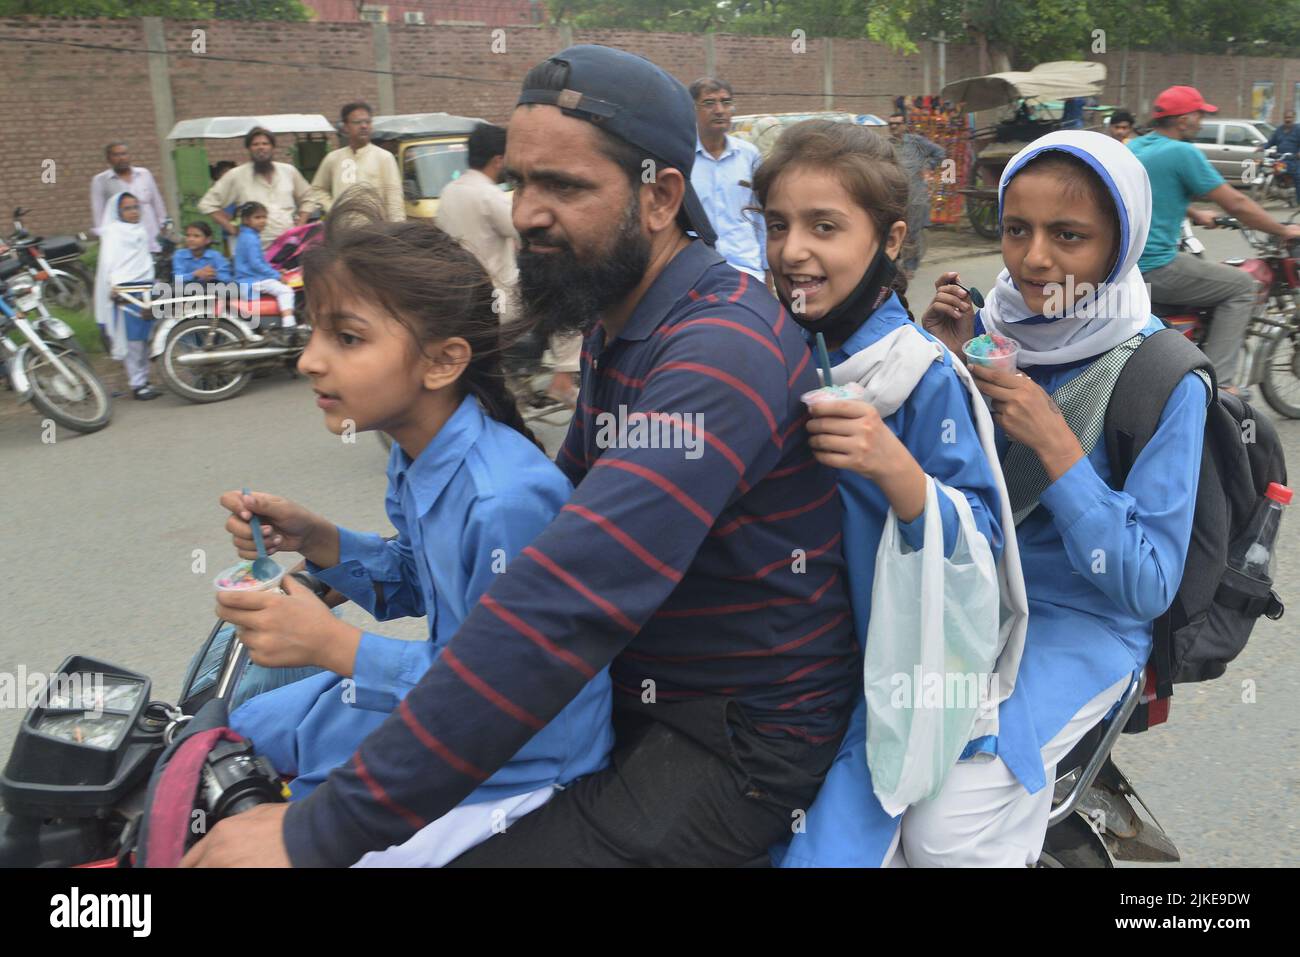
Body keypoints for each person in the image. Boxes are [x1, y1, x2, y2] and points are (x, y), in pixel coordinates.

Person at [184, 43, 858, 869]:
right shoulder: (624, 320)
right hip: (619, 689)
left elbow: (562, 598)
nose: (528, 213)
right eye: (520, 182)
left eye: (565, 187)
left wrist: (315, 833)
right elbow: (557, 533)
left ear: (660, 196)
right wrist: (335, 549)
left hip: (726, 741)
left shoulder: (716, 352)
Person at [216, 197, 613, 865]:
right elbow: (417, 577)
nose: (310, 361)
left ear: (441, 362)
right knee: (244, 732)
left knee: (278, 830)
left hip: (517, 764)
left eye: (346, 337)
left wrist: (331, 643)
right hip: (449, 709)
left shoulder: (504, 501)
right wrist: (319, 537)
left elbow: (493, 691)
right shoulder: (418, 447)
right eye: (313, 332)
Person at [915, 130, 1209, 866]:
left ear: (1122, 243)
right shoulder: (987, 330)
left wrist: (1060, 450)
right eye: (1018, 229)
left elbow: (1145, 582)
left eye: (1069, 236)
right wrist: (933, 374)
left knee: (942, 835)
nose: (1035, 259)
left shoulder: (1164, 376)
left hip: (1073, 625)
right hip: (953, 604)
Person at [748, 120, 1008, 868]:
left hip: (881, 685)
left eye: (824, 226)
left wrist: (898, 472)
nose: (793, 249)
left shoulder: (921, 376)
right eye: (778, 225)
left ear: (891, 240)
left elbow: (982, 547)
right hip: (773, 673)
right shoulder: (767, 351)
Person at [1129, 86, 1300, 396]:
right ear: (1183, 119)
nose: (1201, 121)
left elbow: (1149, 191)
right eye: (1199, 114)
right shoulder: (1182, 151)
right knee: (1241, 286)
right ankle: (1221, 384)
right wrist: (1282, 230)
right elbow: (1236, 203)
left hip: (1128, 263)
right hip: (1155, 264)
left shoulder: (1137, 146)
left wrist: (1193, 210)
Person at [436, 122, 580, 406]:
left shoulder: (449, 192)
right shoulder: (488, 195)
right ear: (498, 160)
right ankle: (563, 378)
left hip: (459, 300)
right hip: (499, 300)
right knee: (567, 301)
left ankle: (520, 376)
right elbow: (526, 232)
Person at [689, 77, 769, 285]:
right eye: (709, 103)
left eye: (726, 102)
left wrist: (767, 269)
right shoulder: (682, 157)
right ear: (692, 110)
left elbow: (760, 215)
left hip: (747, 269)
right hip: (698, 273)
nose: (719, 110)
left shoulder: (749, 155)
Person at [198, 127, 313, 249]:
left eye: (265, 143)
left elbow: (309, 197)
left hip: (288, 244)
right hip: (256, 248)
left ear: (272, 147)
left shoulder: (288, 171)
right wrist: (232, 228)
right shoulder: (237, 175)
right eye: (255, 144)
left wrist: (300, 226)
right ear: (249, 149)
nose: (261, 147)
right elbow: (207, 204)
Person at [93, 193, 160, 400]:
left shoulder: (139, 229)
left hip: (145, 284)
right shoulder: (113, 232)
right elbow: (108, 262)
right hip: (125, 287)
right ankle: (137, 383)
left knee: (147, 335)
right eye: (127, 208)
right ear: (118, 212)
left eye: (136, 207)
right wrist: (112, 285)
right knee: (132, 340)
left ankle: (145, 379)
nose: (133, 212)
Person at [306, 102, 405, 222]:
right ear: (346, 127)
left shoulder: (384, 157)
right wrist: (333, 208)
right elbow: (317, 189)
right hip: (342, 229)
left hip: (375, 229)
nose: (364, 126)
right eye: (357, 122)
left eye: (367, 122)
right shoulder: (333, 158)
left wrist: (396, 229)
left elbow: (394, 196)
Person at [886, 112, 946, 278]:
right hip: (894, 195)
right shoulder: (887, 144)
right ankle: (894, 262)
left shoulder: (915, 142)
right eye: (891, 124)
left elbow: (939, 152)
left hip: (915, 195)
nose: (893, 127)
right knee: (893, 229)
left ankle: (910, 266)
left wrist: (927, 165)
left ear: (904, 125)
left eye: (897, 123)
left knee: (912, 232)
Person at [232, 202, 300, 341]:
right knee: (286, 291)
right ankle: (289, 325)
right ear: (246, 220)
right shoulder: (250, 238)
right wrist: (276, 275)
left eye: (264, 217)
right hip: (252, 279)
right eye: (257, 217)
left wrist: (275, 271)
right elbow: (256, 264)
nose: (262, 221)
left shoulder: (247, 236)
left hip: (250, 277)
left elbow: (260, 262)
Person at [90, 143, 167, 253]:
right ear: (108, 159)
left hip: (150, 230)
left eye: (124, 154)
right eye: (116, 155)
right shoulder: (100, 180)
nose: (121, 158)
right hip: (124, 236)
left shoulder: (144, 174)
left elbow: (156, 200)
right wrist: (103, 235)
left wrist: (163, 222)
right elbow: (98, 210)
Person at [1261, 110, 1300, 206]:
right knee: (1269, 170)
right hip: (1280, 159)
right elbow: (1271, 142)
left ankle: (1298, 200)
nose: (1288, 120)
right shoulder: (1278, 130)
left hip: (1293, 160)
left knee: (1298, 178)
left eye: (1290, 118)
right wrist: (1262, 147)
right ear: (1284, 118)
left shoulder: (1298, 130)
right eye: (1286, 118)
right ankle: (1275, 191)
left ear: (1293, 118)